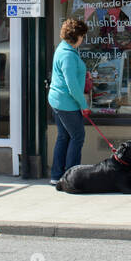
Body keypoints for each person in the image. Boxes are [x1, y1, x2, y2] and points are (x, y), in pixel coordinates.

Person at [48, 18, 91, 185]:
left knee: (63, 136)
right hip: (67, 102)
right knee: (77, 136)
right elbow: (72, 86)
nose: (83, 39)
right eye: (83, 36)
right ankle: (71, 176)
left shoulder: (63, 49)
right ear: (77, 36)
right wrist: (84, 106)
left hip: (58, 100)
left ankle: (57, 175)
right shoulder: (68, 56)